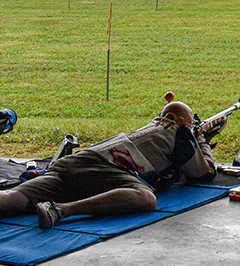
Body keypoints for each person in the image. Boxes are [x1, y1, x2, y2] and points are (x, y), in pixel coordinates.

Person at [0, 95, 216, 229]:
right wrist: (201, 140)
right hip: (104, 169)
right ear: (181, 122)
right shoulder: (178, 130)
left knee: (14, 198)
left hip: (75, 163)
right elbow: (203, 173)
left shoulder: (150, 128)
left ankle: (55, 205)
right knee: (145, 198)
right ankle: (62, 210)